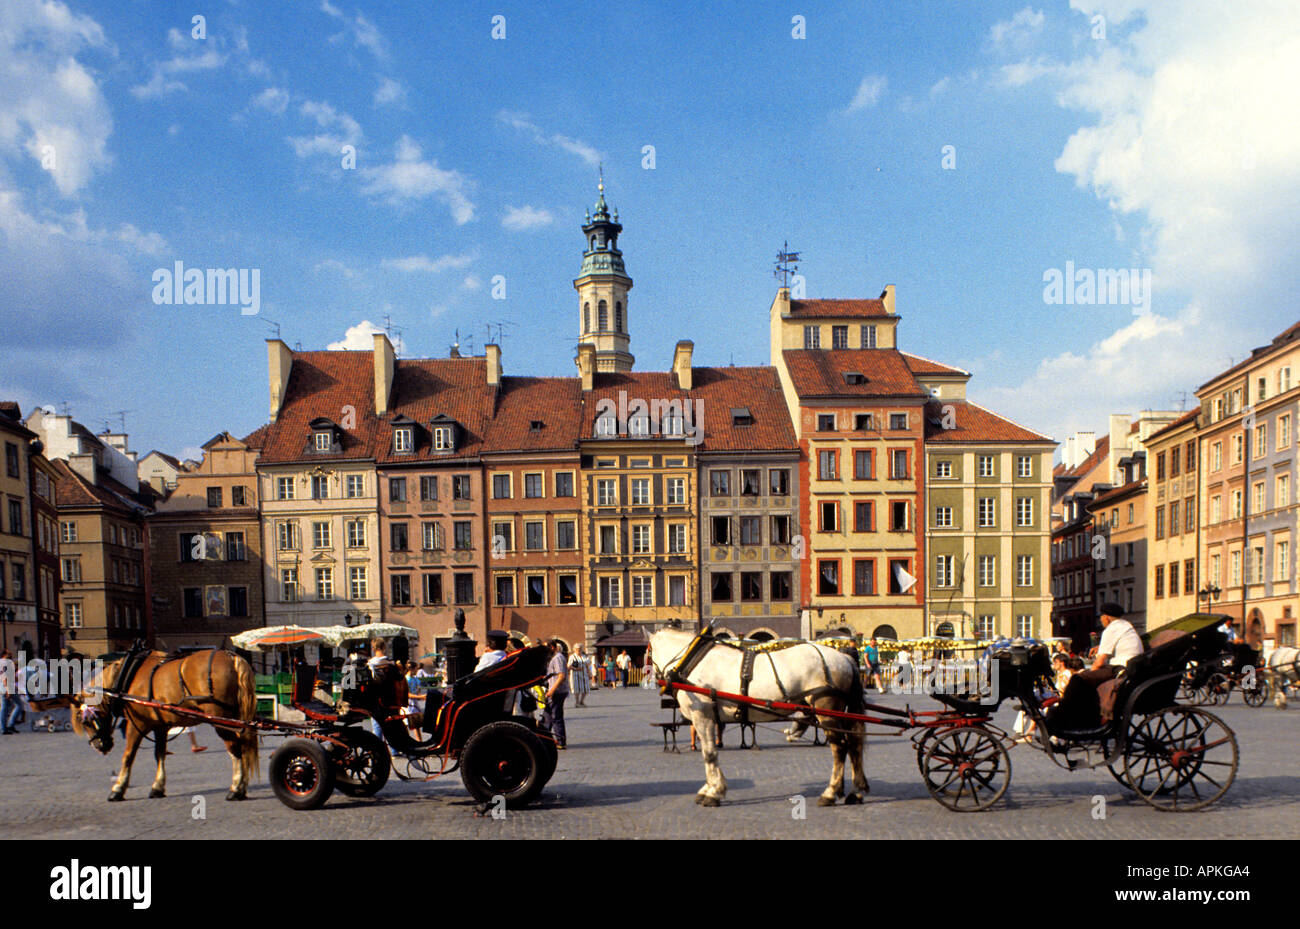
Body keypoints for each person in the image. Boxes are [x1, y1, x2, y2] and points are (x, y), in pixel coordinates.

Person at [1051, 602, 1143, 729]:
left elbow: (1099, 662)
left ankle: (1064, 718)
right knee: (1085, 679)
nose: (1101, 619)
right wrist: (1100, 647)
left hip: (1118, 669)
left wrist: (1087, 675)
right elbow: (1119, 644)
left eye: (1101, 617)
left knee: (1078, 680)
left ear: (1107, 617)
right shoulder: (1126, 626)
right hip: (1130, 668)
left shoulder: (1111, 629)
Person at [540, 639, 569, 749]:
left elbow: (561, 676)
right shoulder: (553, 658)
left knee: (556, 716)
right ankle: (545, 739)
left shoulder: (557, 658)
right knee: (547, 716)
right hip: (553, 691)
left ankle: (561, 741)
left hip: (557, 692)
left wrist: (551, 690)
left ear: (552, 647)